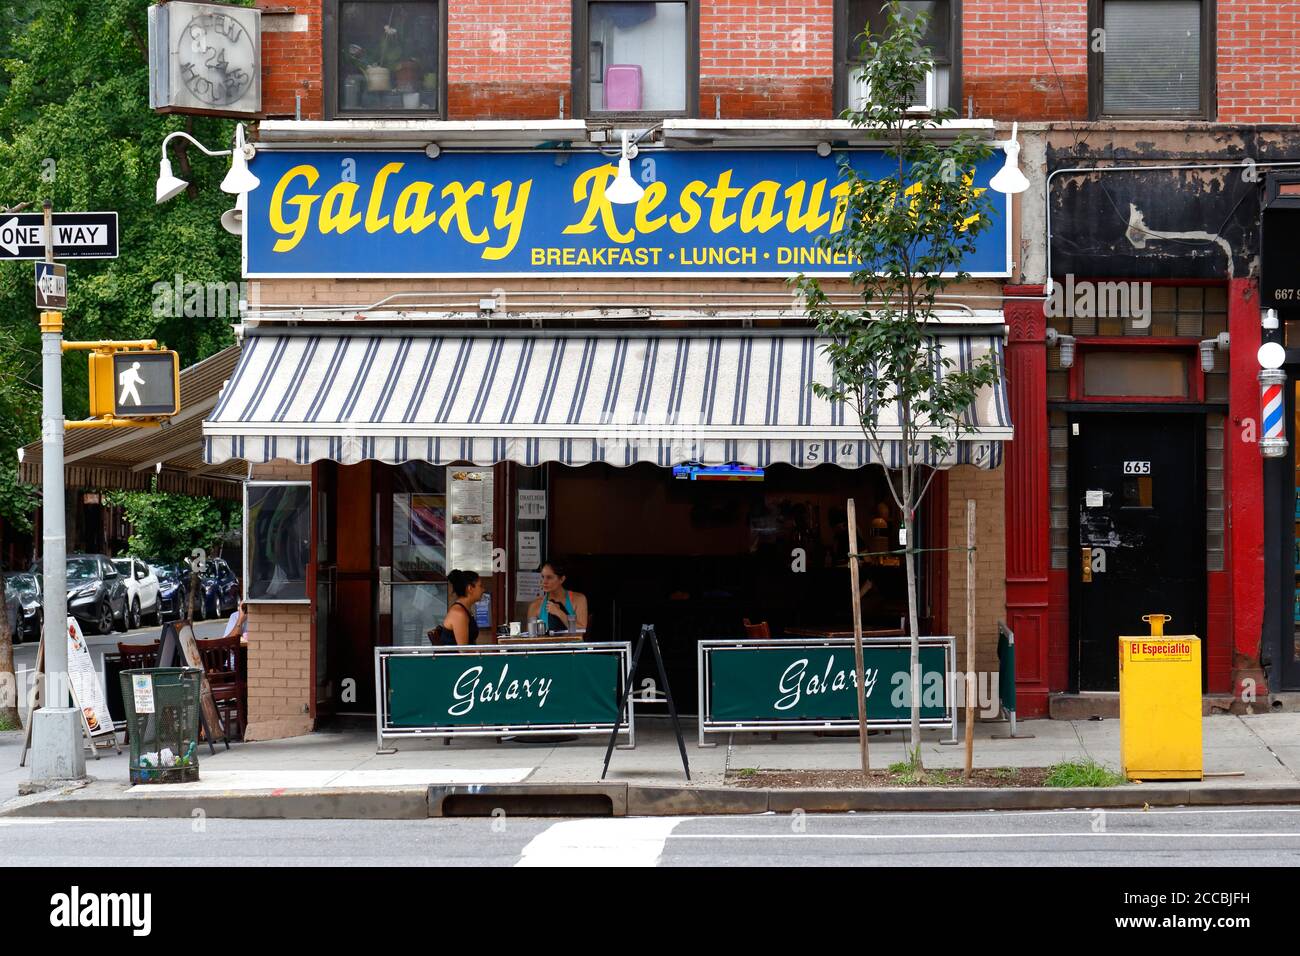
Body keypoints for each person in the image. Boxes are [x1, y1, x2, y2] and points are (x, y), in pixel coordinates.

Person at [527, 560, 588, 633]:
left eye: (549, 577)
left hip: (572, 644)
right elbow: (530, 637)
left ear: (562, 579)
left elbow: (582, 630)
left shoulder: (578, 599)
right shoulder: (535, 605)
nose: (544, 581)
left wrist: (559, 613)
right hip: (548, 644)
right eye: (543, 577)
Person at [427, 570, 485, 646]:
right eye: (480, 586)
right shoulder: (459, 614)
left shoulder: (464, 610)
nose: (483, 590)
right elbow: (464, 650)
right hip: (455, 658)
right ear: (470, 588)